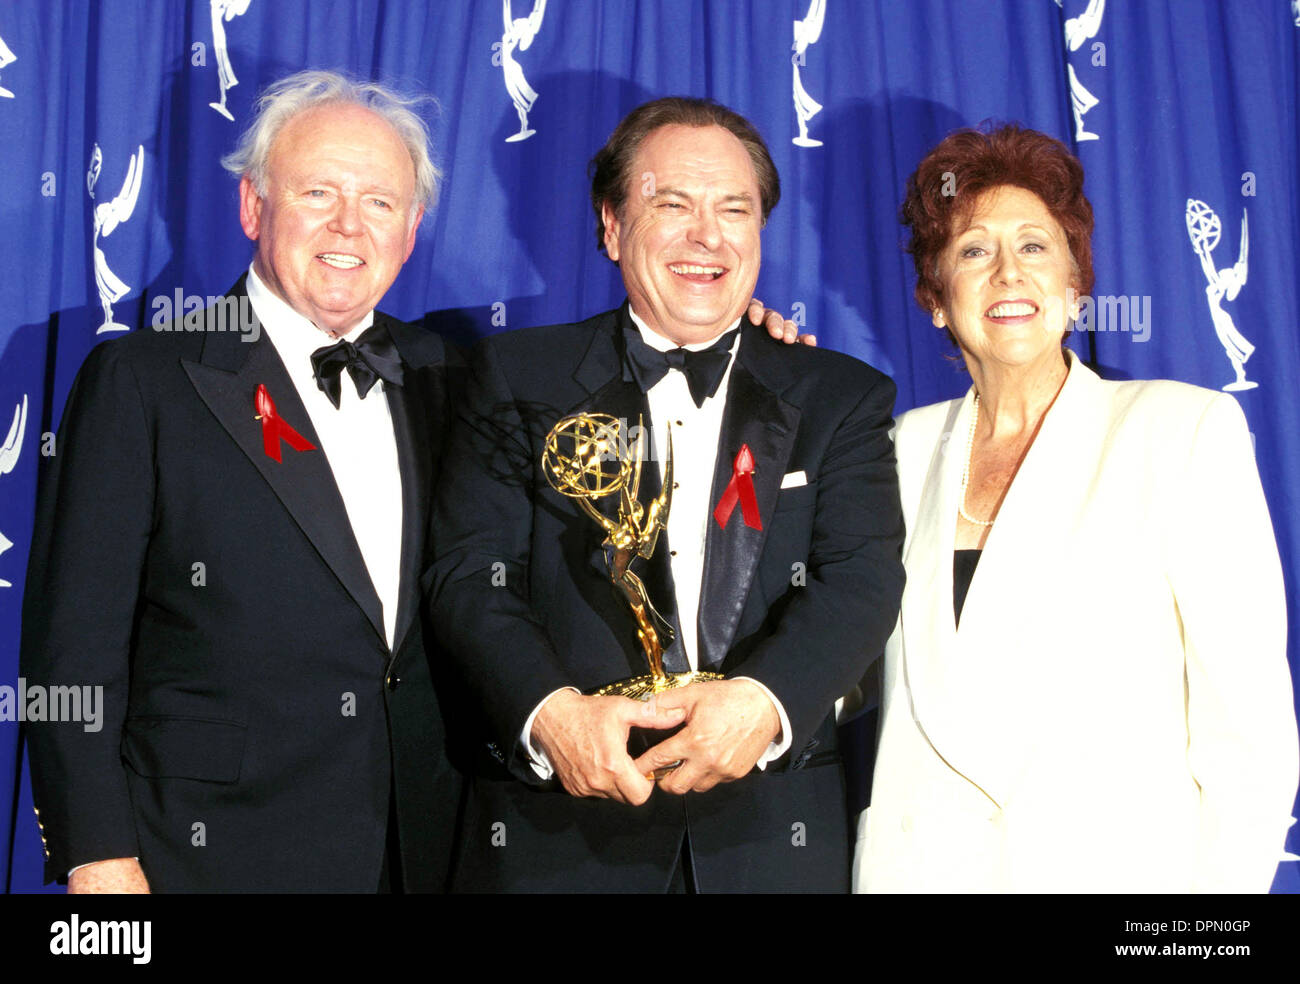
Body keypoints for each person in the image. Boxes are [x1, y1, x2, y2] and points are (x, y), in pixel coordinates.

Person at [428, 96, 905, 893]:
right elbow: (468, 575)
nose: (706, 235)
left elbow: (860, 579)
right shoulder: (517, 378)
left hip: (770, 843)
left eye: (733, 209)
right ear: (611, 226)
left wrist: (765, 703)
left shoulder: (840, 395)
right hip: (558, 838)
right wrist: (552, 717)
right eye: (672, 204)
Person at [21, 70, 462, 892]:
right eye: (318, 192)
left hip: (419, 851)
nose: (348, 225)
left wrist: (771, 348)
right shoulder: (143, 378)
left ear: (412, 229)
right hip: (199, 858)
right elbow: (71, 651)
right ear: (253, 206)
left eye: (379, 202)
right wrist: (95, 855)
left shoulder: (453, 375)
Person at [854, 124, 1299, 893]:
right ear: (935, 299)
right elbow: (835, 662)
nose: (1006, 273)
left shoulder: (1180, 430)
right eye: (972, 251)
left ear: (1075, 286)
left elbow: (1248, 738)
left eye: (1034, 247)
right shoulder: (896, 450)